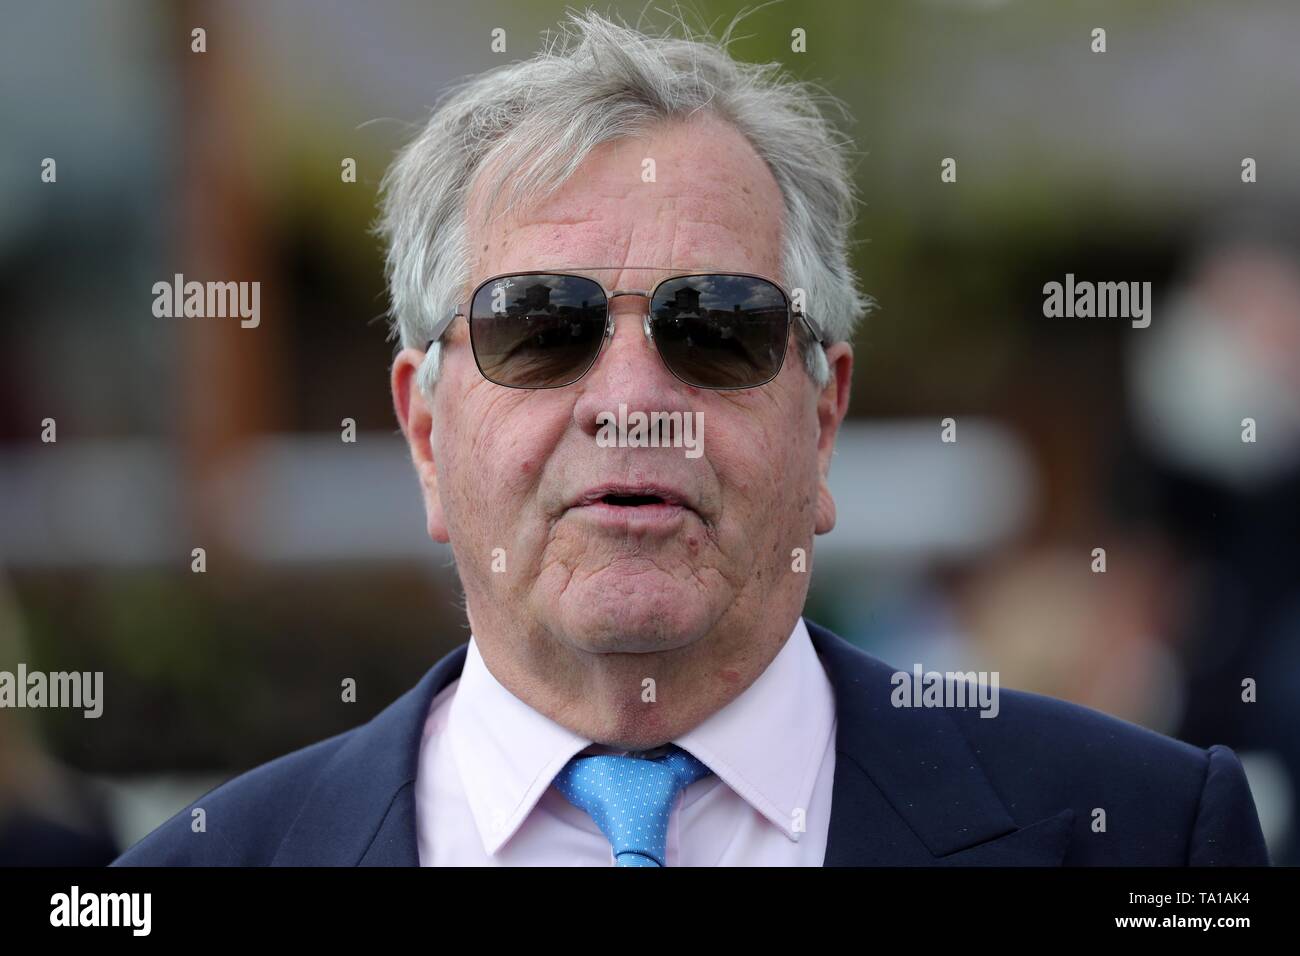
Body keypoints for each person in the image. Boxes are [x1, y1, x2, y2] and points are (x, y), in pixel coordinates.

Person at [114, 10, 1267, 867]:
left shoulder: (1146, 835)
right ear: (424, 428)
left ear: (821, 419)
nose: (632, 399)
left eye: (715, 328)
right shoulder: (189, 873)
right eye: (540, 327)